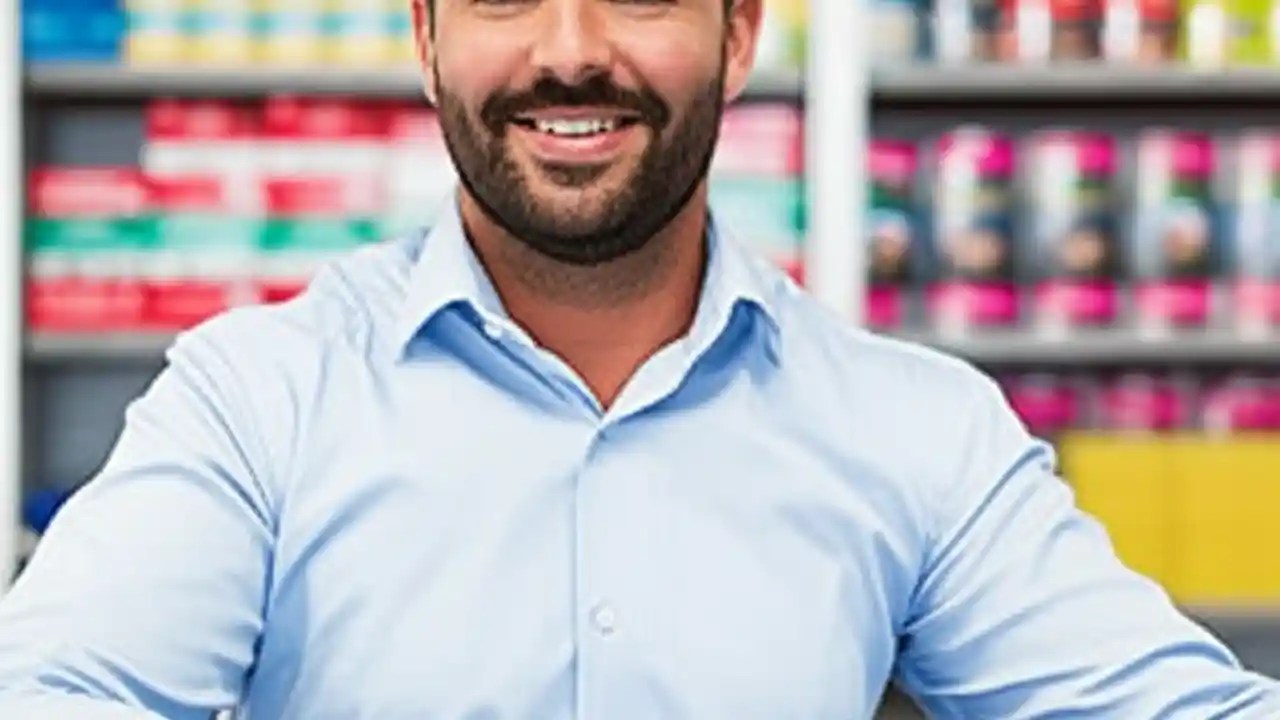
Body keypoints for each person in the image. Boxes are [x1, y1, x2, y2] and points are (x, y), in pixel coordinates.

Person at [1, 1, 1277, 718]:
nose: (569, 47)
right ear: (427, 35)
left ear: (737, 36)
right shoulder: (254, 401)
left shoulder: (915, 430)